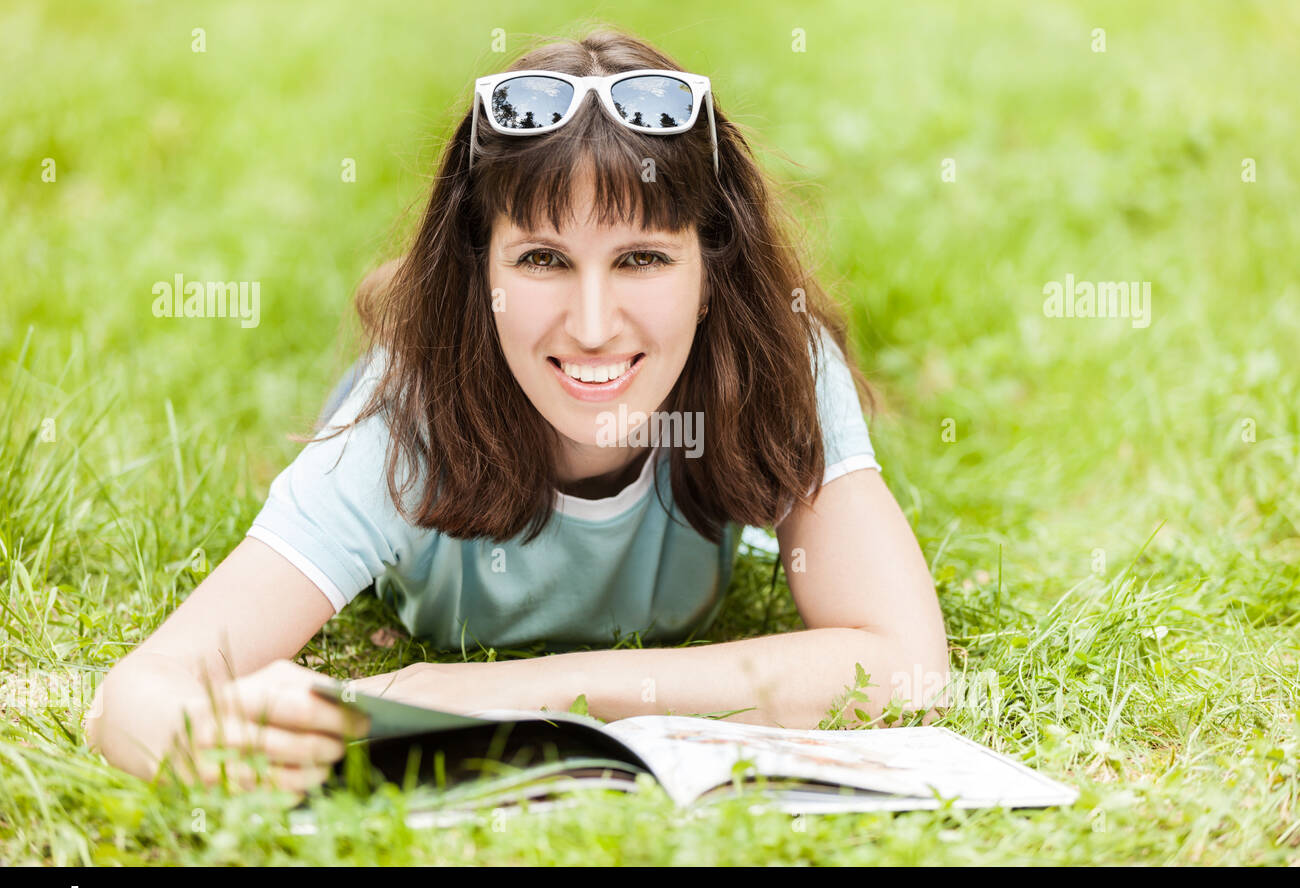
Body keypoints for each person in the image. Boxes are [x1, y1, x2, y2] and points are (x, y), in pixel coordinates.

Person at [85, 28, 949, 795]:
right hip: (429, 386)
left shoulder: (775, 364)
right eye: (542, 258)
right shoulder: (401, 425)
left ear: (712, 270)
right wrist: (203, 745)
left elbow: (907, 667)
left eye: (642, 258)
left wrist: (495, 692)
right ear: (480, 267)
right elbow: (137, 694)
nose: (595, 324)